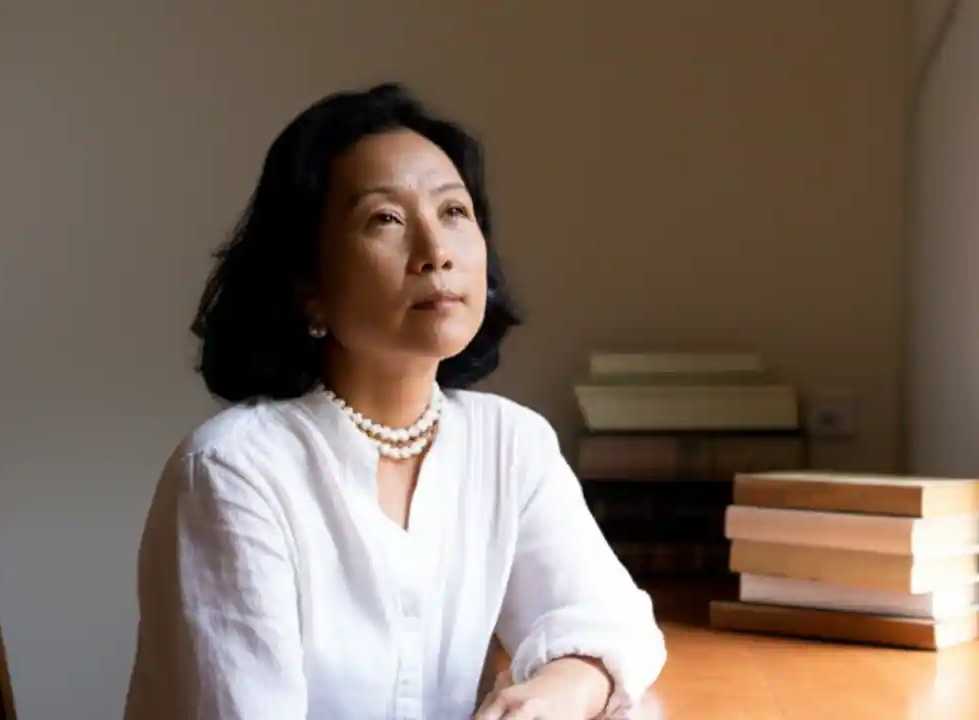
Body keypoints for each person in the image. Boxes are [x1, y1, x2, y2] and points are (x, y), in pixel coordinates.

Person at [123, 83, 667, 720]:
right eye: (385, 219)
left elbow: (612, 621)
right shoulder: (234, 471)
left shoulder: (509, 443)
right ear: (309, 288)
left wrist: (556, 693)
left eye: (454, 213)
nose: (435, 252)